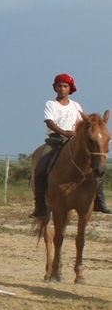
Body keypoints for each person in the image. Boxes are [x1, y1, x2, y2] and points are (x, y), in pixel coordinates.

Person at [30, 73, 110, 218]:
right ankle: (40, 205)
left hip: (73, 141)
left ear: (70, 89)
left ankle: (99, 200)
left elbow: (81, 124)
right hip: (55, 141)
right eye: (59, 86)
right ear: (55, 88)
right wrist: (64, 133)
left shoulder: (76, 106)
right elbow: (49, 122)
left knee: (95, 164)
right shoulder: (51, 104)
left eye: (65, 86)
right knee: (41, 167)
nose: (62, 89)